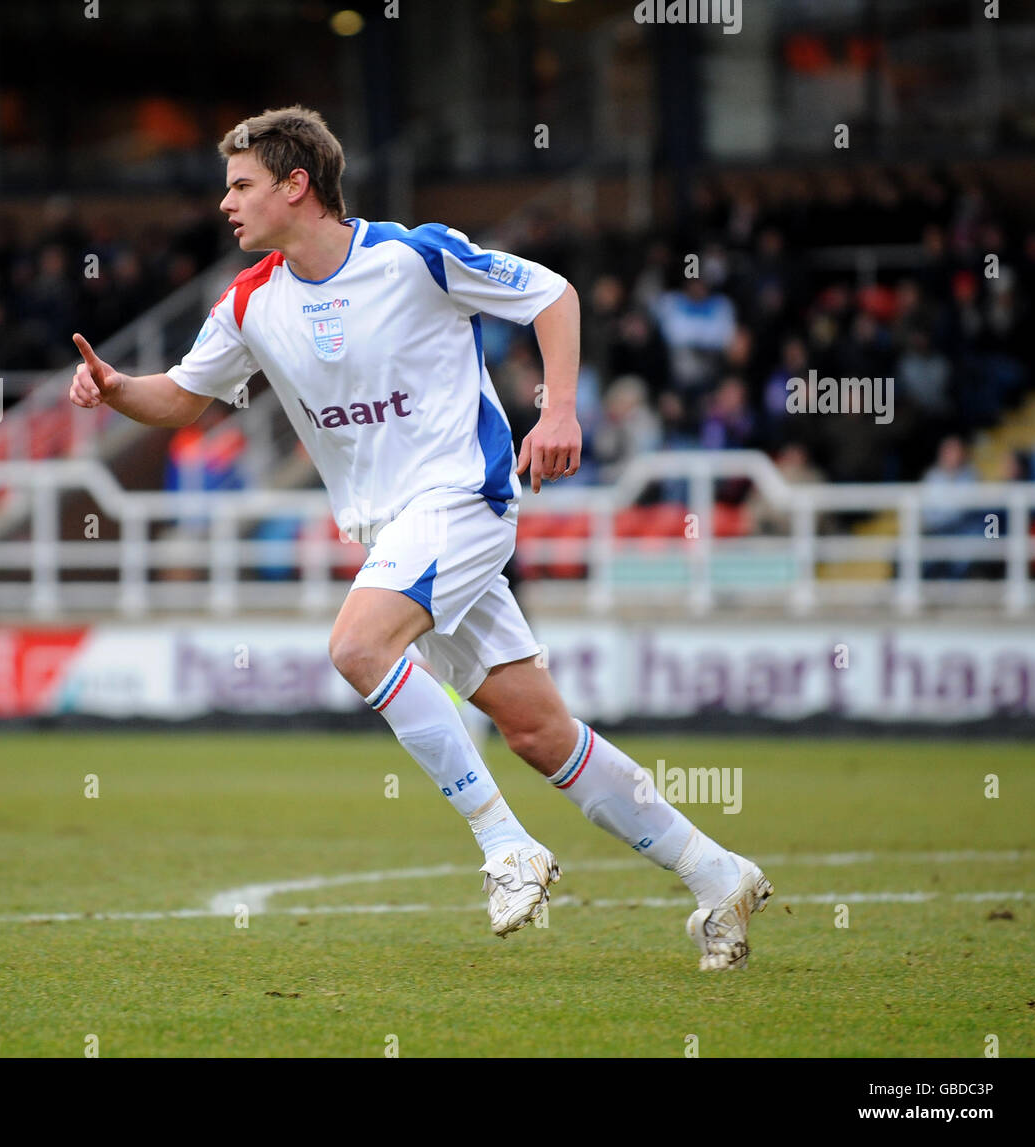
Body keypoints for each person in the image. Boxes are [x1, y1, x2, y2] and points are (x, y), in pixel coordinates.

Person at [69, 106, 772, 970]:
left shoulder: (413, 255)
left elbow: (553, 293)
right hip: (393, 533)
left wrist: (557, 410)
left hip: (464, 498)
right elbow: (180, 396)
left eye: (241, 185)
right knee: (539, 733)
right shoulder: (252, 302)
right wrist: (114, 387)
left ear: (297, 186)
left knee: (358, 645)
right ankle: (717, 874)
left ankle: (506, 845)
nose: (226, 204)